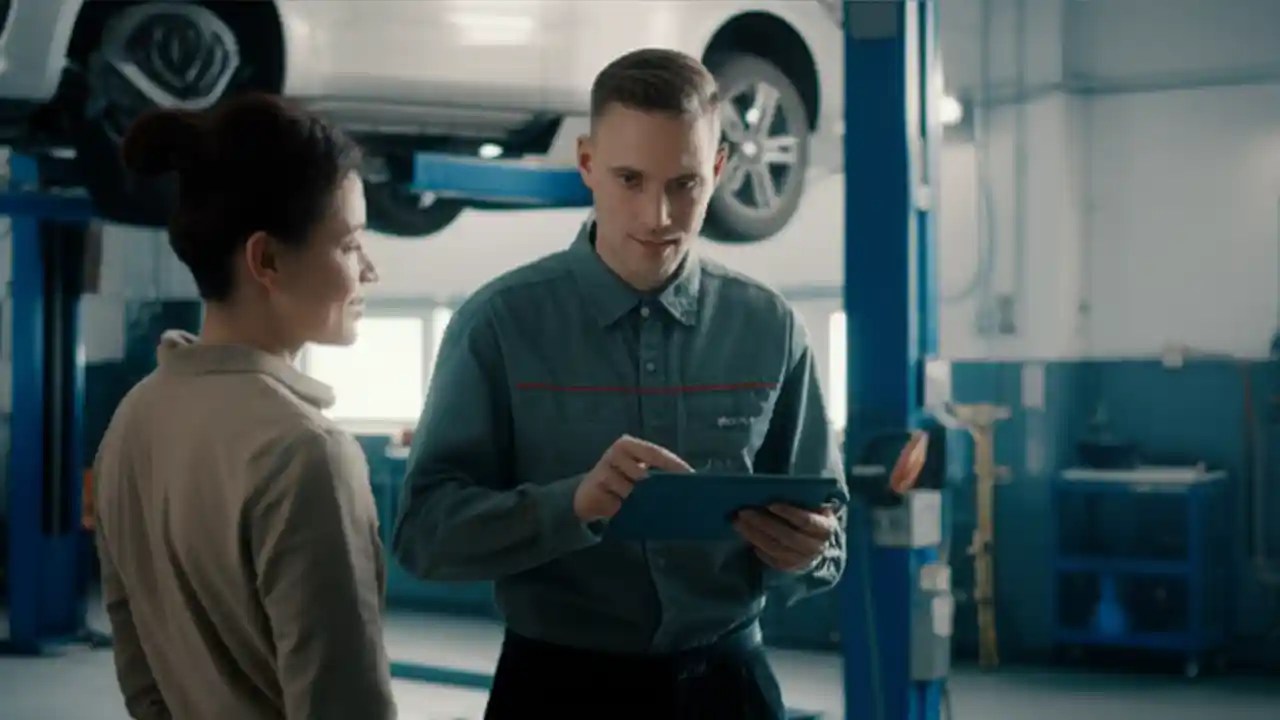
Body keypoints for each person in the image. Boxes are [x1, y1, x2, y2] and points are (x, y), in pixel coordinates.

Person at [392, 48, 849, 719]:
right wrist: (571, 506)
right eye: (630, 179)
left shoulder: (770, 328)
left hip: (728, 687)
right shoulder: (498, 326)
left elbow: (828, 534)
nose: (658, 215)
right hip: (556, 691)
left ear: (720, 169)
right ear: (585, 164)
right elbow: (423, 535)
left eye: (685, 184)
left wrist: (809, 550)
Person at [91, 93, 396, 720]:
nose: (371, 271)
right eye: (349, 244)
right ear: (267, 259)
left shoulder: (134, 418)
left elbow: (139, 669)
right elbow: (344, 705)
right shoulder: (305, 450)